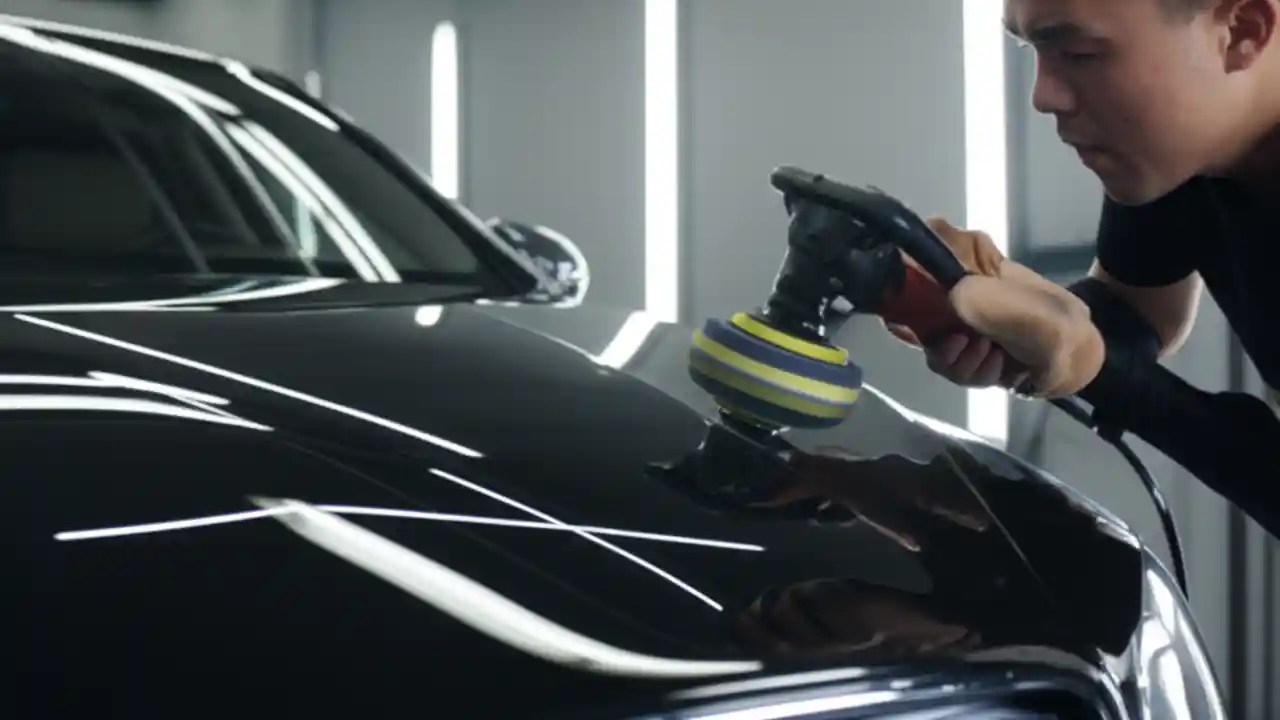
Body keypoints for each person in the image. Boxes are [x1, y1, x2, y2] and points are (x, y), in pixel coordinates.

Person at [891, 0, 1280, 537]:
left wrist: (1103, 372)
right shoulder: (1179, 149)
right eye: (1032, 48)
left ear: (1241, 30)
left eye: (1079, 53)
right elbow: (1141, 312)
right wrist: (1017, 319)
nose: (1042, 96)